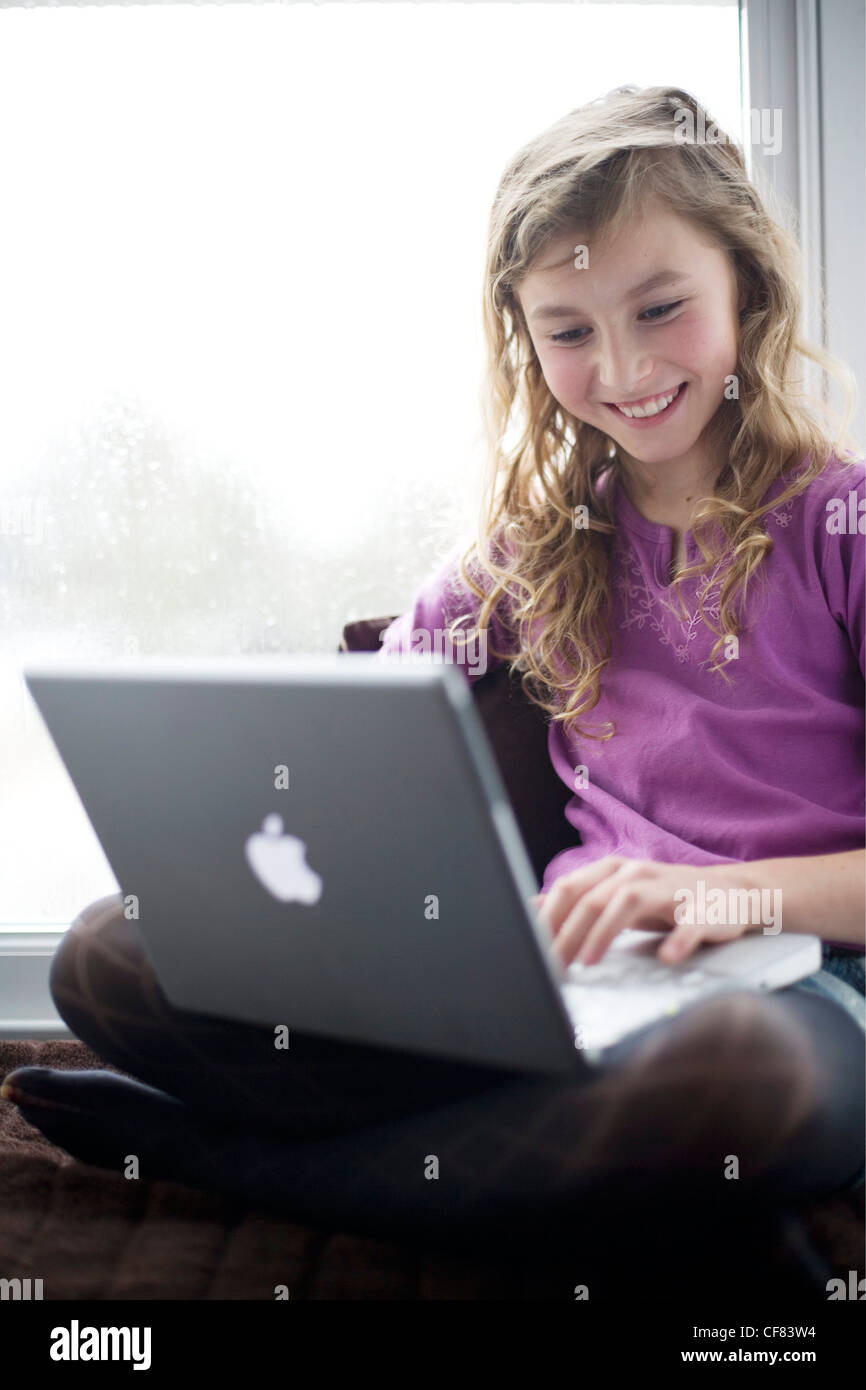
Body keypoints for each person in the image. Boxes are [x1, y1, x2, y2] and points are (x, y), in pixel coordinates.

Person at [3, 86, 864, 1287]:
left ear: (747, 288)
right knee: (110, 954)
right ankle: (635, 1189)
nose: (619, 368)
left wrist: (719, 900)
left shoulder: (840, 525)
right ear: (523, 336)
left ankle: (216, 1155)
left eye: (660, 308)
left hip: (803, 984)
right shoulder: (538, 545)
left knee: (743, 1089)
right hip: (566, 993)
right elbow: (351, 744)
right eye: (566, 331)